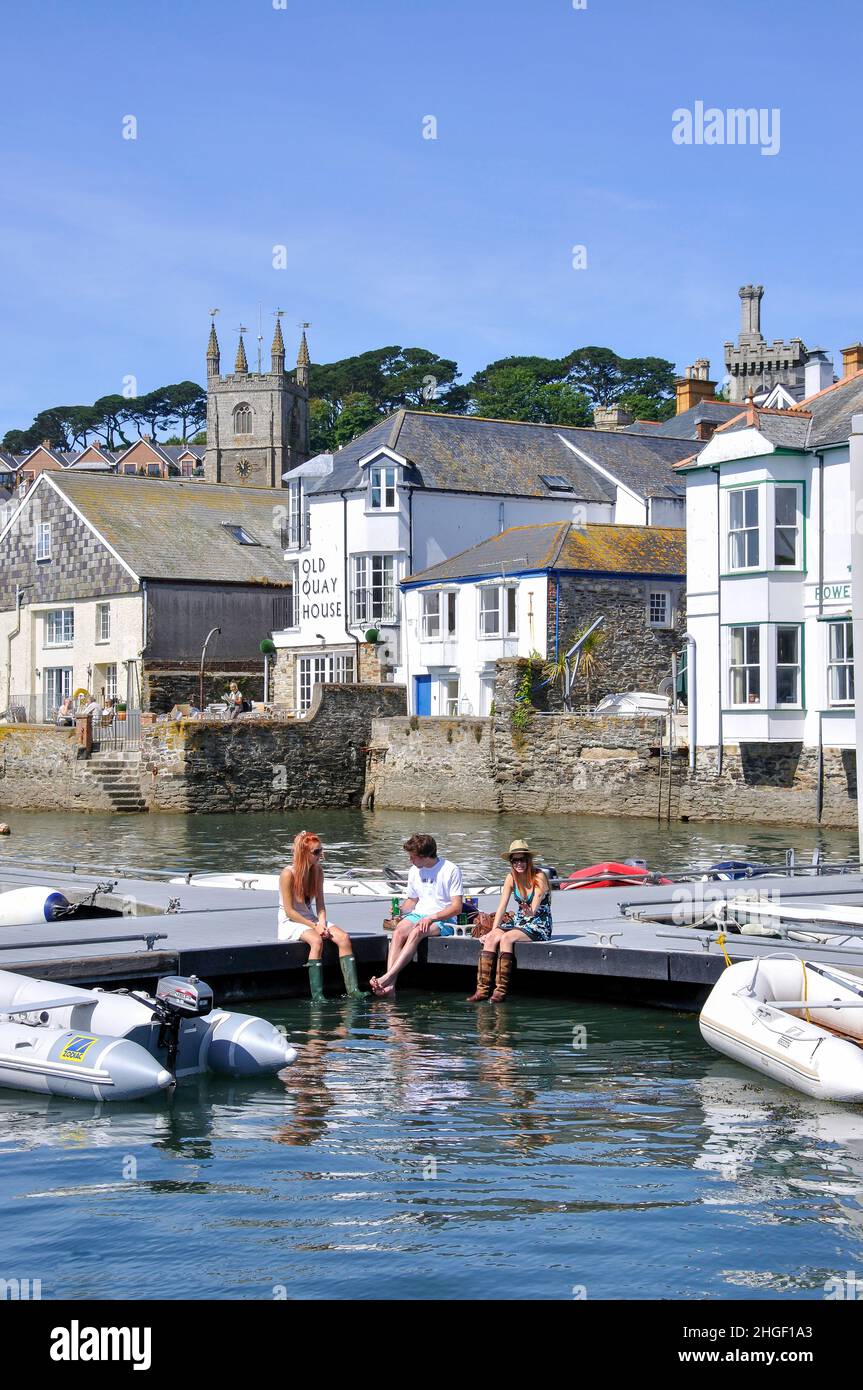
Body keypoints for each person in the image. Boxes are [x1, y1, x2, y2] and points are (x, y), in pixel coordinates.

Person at [369, 834, 463, 997]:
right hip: (419, 914)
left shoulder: (451, 870)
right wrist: (400, 910)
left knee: (417, 931)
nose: (410, 860)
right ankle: (390, 987)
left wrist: (432, 917)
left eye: (412, 857)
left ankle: (388, 977)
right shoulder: (414, 871)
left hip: (443, 918)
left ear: (425, 856)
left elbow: (457, 907)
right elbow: (412, 900)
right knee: (398, 931)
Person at [278, 830, 363, 1002]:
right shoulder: (288, 874)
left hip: (311, 918)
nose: (320, 855)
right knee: (316, 941)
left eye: (321, 850)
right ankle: (317, 995)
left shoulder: (317, 871)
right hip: (291, 921)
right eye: (316, 852)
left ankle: (353, 991)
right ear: (304, 853)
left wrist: (322, 923)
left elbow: (321, 906)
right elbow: (290, 911)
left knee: (344, 938)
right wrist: (314, 927)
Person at [467, 839, 553, 1004]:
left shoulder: (539, 876)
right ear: (511, 862)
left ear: (529, 860)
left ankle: (500, 991)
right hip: (520, 922)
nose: (519, 863)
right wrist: (493, 929)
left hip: (539, 923)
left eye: (522, 859)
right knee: (492, 938)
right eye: (515, 860)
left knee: (506, 938)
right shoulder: (510, 878)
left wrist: (531, 910)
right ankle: (482, 990)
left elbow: (537, 900)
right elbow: (502, 906)